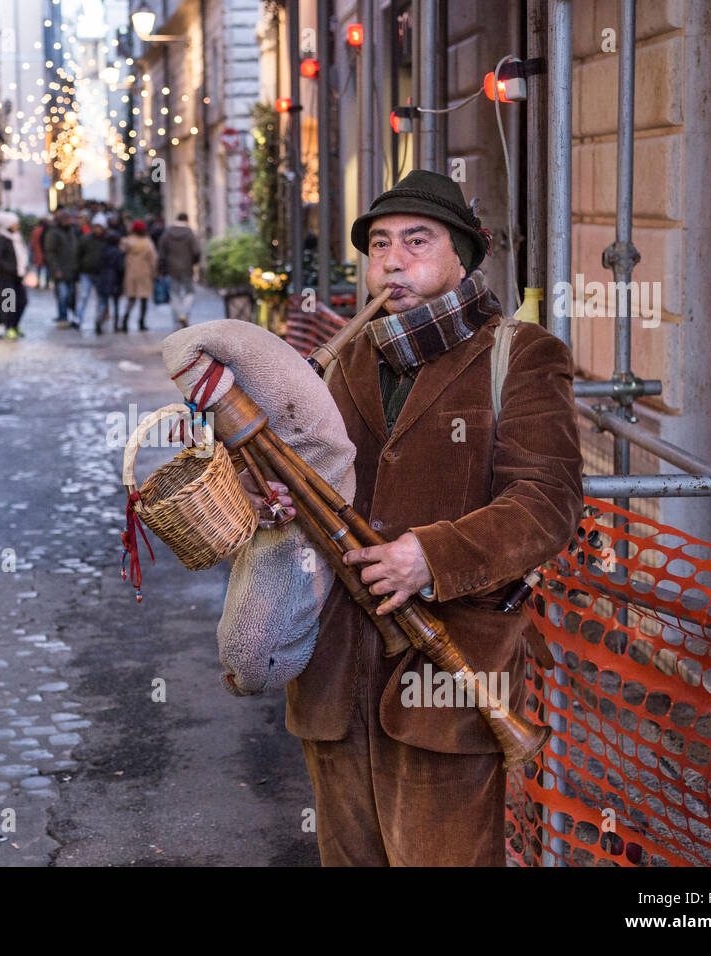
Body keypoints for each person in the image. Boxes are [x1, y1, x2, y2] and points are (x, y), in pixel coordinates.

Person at [241, 169, 583, 866]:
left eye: (416, 242)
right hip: (335, 677)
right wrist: (275, 502)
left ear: (463, 255)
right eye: (378, 245)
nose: (392, 261)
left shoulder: (519, 357)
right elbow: (318, 484)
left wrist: (431, 555)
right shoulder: (342, 364)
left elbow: (545, 505)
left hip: (447, 680)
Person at [158, 212, 201, 328]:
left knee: (174, 294)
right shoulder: (189, 233)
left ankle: (177, 321)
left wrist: (162, 269)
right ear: (186, 220)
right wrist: (194, 262)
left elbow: (161, 253)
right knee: (190, 293)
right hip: (187, 268)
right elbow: (197, 251)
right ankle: (184, 313)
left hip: (171, 269)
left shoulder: (167, 233)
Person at [0, 210, 30, 339]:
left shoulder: (17, 237)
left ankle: (14, 324)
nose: (17, 226)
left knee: (22, 301)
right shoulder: (2, 239)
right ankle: (7, 326)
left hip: (18, 276)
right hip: (7, 277)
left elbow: (23, 254)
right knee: (8, 303)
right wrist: (10, 269)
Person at [43, 208, 81, 327]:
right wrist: (55, 269)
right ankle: (62, 316)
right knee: (62, 294)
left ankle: (72, 315)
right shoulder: (54, 233)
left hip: (72, 269)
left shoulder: (72, 231)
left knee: (71, 295)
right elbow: (50, 253)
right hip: (60, 269)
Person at [119, 220, 158, 332]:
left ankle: (125, 321)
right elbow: (153, 259)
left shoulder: (126, 242)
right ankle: (141, 323)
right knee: (144, 299)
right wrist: (154, 273)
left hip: (130, 273)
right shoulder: (148, 243)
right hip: (145, 273)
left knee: (131, 299)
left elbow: (120, 252)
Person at [76, 212, 108, 325]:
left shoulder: (107, 240)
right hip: (86, 272)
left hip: (101, 273)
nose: (98, 230)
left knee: (101, 298)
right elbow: (78, 254)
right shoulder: (85, 239)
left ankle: (98, 320)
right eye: (96, 227)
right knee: (83, 296)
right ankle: (78, 319)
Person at [96, 229, 125, 334]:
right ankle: (116, 325)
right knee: (116, 304)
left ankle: (99, 320)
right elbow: (121, 268)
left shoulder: (103, 250)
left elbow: (98, 265)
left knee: (104, 303)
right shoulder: (118, 253)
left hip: (103, 279)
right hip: (115, 280)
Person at [30, 217, 50, 289]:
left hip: (37, 252)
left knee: (38, 268)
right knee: (47, 268)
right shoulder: (47, 230)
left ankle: (38, 282)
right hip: (45, 251)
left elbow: (32, 242)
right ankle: (47, 283)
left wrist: (32, 250)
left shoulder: (36, 230)